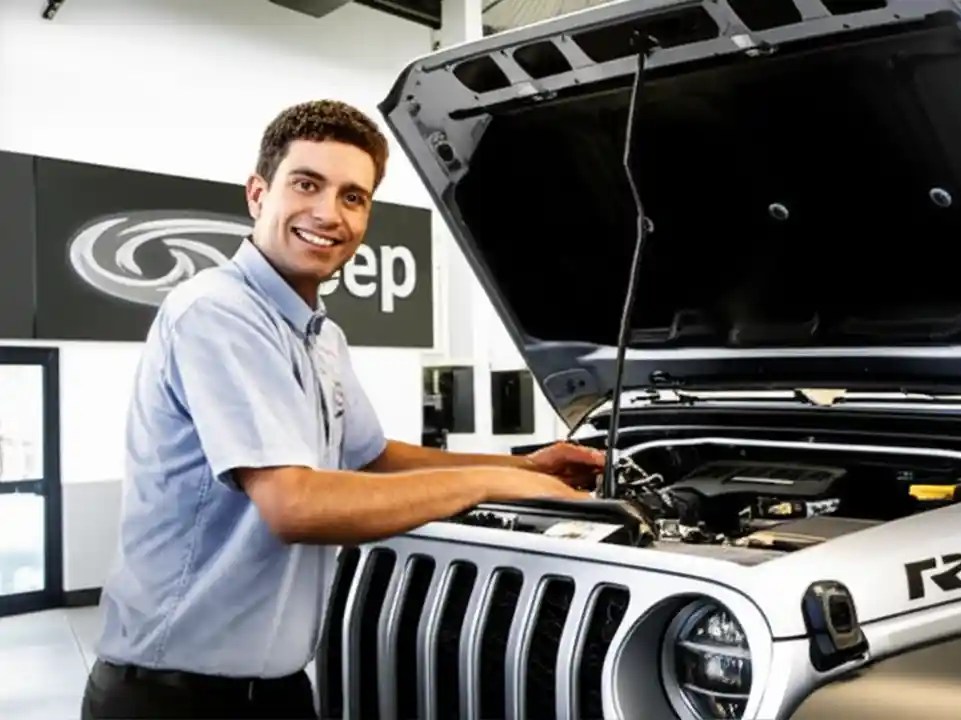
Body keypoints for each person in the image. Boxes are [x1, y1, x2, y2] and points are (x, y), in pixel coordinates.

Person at [81, 99, 602, 720]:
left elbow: (374, 458)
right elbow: (294, 505)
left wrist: (528, 468)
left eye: (353, 196)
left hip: (275, 689)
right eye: (307, 184)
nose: (328, 213)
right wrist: (490, 483)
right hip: (175, 698)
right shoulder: (216, 312)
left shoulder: (321, 336)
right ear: (257, 194)